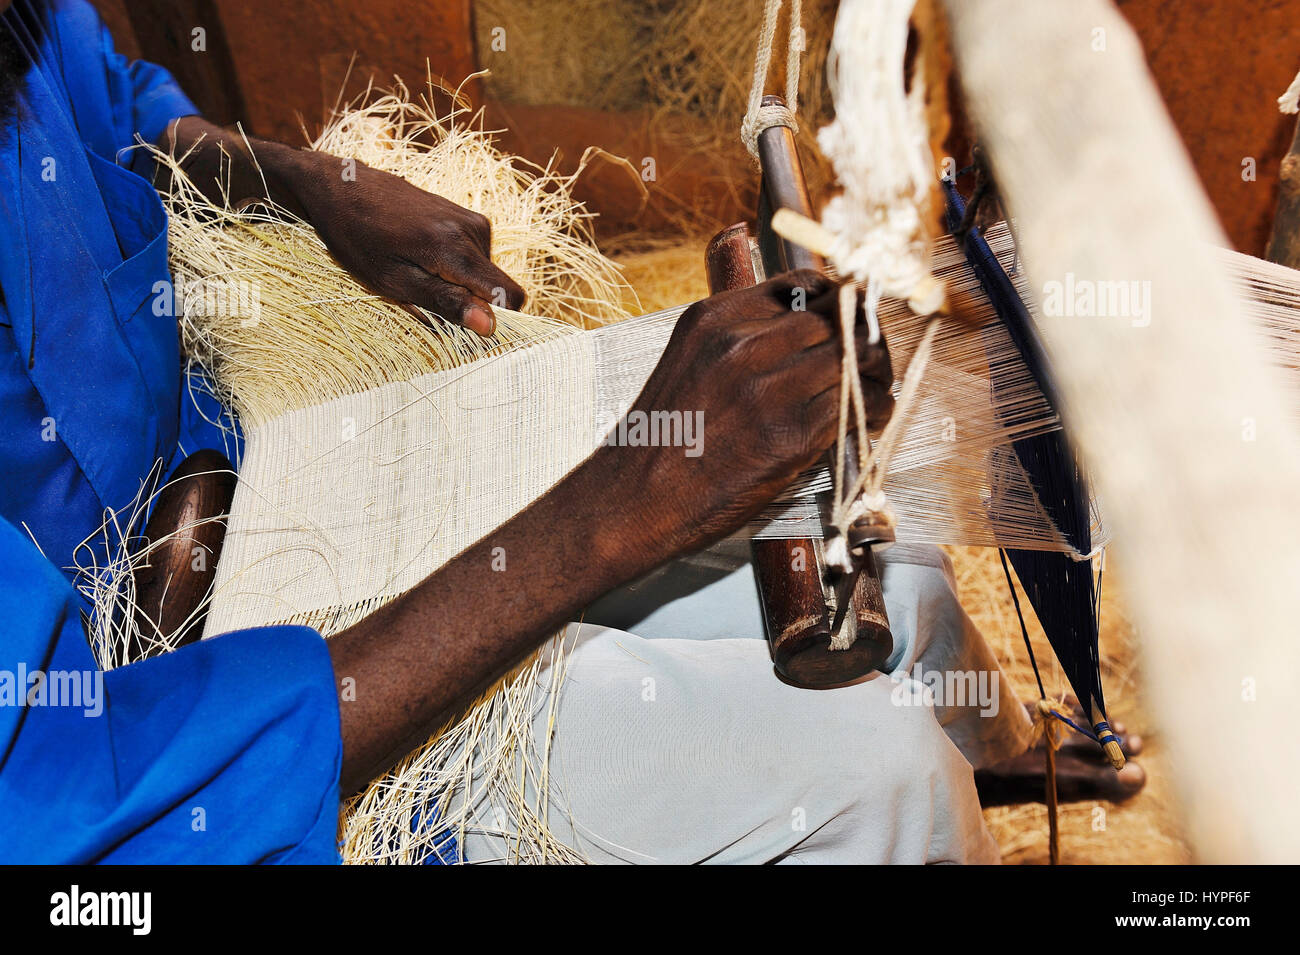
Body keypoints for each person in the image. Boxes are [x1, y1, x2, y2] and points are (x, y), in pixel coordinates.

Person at [0, 0, 1140, 865]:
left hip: (258, 475)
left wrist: (314, 182)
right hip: (218, 725)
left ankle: (1010, 753)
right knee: (876, 772)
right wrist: (612, 510)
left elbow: (121, 105)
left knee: (894, 569)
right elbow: (85, 805)